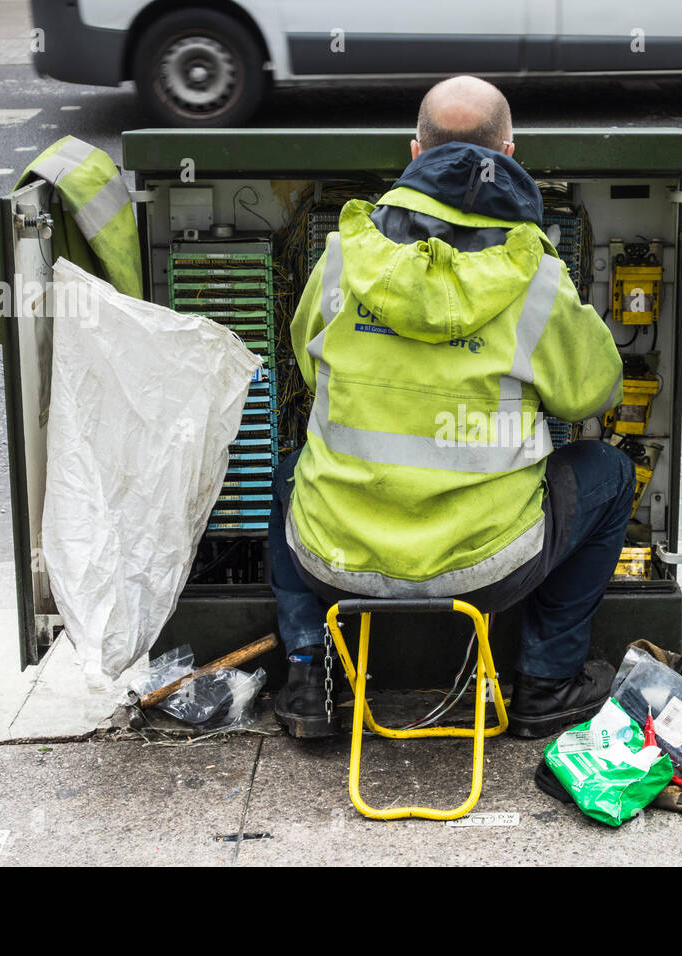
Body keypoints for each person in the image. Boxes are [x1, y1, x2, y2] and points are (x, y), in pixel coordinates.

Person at [268, 75, 632, 739]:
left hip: (338, 560)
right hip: (490, 569)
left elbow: (310, 372)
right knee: (609, 472)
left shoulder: (343, 258)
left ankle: (306, 680)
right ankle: (547, 682)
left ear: (415, 153)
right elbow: (595, 393)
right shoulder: (536, 279)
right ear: (510, 153)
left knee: (289, 467)